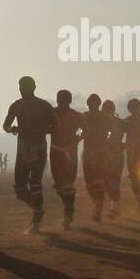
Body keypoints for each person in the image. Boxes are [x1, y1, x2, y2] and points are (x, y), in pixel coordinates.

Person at [2, 76, 56, 234]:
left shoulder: (44, 106)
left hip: (38, 146)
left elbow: (56, 125)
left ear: (33, 87)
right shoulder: (16, 106)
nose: (22, 89)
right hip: (23, 147)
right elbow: (5, 125)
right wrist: (12, 129)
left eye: (25, 86)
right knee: (20, 187)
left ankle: (36, 222)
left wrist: (41, 130)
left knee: (35, 182)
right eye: (21, 86)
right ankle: (37, 209)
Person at [49, 89, 85, 229]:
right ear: (57, 100)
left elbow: (84, 130)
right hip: (56, 151)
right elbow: (45, 128)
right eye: (61, 99)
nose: (63, 102)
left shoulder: (76, 115)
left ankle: (68, 213)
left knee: (67, 183)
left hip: (70, 152)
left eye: (65, 99)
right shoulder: (51, 113)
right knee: (59, 185)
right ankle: (68, 207)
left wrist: (75, 140)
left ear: (69, 101)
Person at [79, 93, 110, 223]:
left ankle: (98, 208)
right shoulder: (84, 117)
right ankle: (97, 204)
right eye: (91, 103)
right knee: (90, 181)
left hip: (99, 152)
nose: (92, 105)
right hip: (91, 151)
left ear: (98, 104)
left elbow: (111, 133)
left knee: (98, 180)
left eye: (94, 103)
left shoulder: (105, 117)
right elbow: (80, 133)